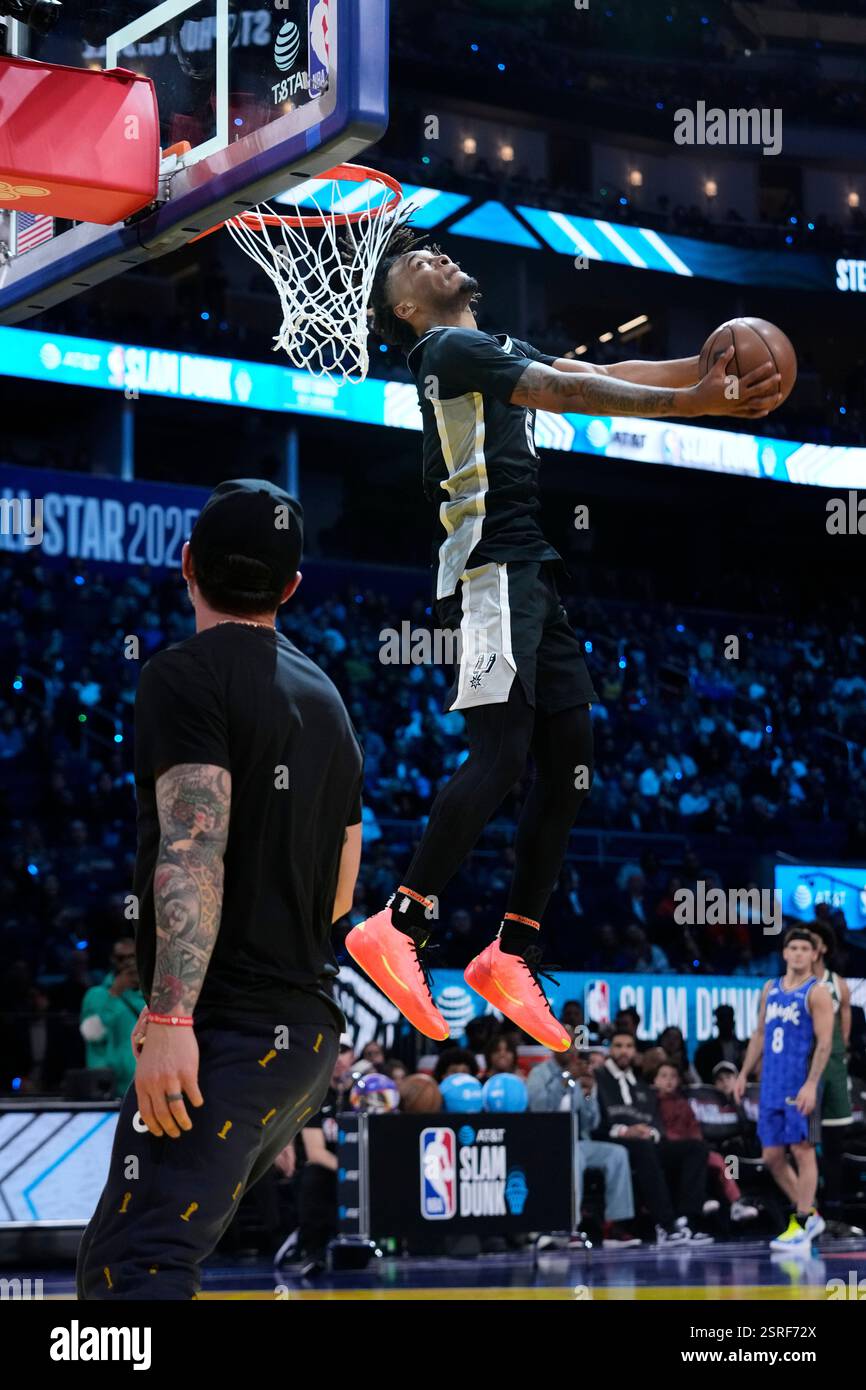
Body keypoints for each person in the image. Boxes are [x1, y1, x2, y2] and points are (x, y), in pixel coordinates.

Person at [344, 224, 782, 1050]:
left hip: (529, 573)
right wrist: (692, 407)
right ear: (405, 306)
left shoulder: (496, 344)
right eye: (416, 263)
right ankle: (399, 922)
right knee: (503, 754)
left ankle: (512, 950)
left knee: (570, 761)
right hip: (484, 570)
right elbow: (566, 395)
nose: (436, 256)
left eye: (435, 248)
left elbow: (601, 372)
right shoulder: (442, 350)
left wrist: (703, 371)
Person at [76, 479, 364, 1300]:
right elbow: (340, 895)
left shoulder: (181, 675)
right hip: (305, 1033)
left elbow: (193, 846)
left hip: (228, 1025)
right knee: (121, 1260)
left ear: (187, 565)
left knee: (135, 1268)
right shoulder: (330, 701)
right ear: (292, 587)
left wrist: (168, 1014)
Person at [734, 928, 833, 1252]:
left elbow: (825, 1043)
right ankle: (811, 1213)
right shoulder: (770, 989)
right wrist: (744, 1073)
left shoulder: (817, 992)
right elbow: (760, 1034)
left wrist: (812, 1084)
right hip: (770, 1086)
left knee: (802, 1151)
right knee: (772, 1156)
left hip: (799, 1083)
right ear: (785, 952)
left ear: (814, 954)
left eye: (806, 947)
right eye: (794, 947)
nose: (799, 953)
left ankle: (802, 1221)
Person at [595, 1030, 713, 1245]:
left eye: (629, 1046)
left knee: (696, 1148)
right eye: (618, 1046)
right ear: (610, 1050)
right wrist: (626, 1131)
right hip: (613, 1140)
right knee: (643, 1149)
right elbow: (596, 1123)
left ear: (634, 1052)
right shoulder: (599, 1078)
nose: (624, 1051)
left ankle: (685, 1220)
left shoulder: (641, 1085)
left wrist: (651, 1132)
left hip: (645, 1140)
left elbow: (655, 1121)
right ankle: (665, 1225)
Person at [528, 1032, 640, 1247]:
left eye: (573, 1046)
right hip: (546, 1142)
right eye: (564, 1045)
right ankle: (570, 1227)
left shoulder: (578, 1075)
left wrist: (590, 1093)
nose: (570, 1051)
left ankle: (614, 1226)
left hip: (577, 1140)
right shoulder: (539, 1074)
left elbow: (591, 1123)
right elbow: (539, 1107)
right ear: (553, 1046)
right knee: (575, 1155)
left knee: (617, 1154)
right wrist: (565, 1079)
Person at [652, 1061, 757, 1224]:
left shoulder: (748, 1101)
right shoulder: (701, 1101)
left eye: (729, 1077)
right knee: (718, 1159)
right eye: (720, 1079)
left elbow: (748, 1129)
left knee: (729, 1158)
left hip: (738, 1150)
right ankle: (721, 1202)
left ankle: (736, 1202)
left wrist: (735, 1101)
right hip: (699, 1149)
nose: (725, 1082)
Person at [810, 922, 854, 1214]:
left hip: (833, 1068)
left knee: (834, 1142)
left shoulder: (837, 983)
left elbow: (845, 1029)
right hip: (802, 1069)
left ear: (823, 947)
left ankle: (834, 1206)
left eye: (810, 942)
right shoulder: (789, 984)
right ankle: (807, 1205)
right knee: (803, 1143)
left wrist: (837, 1055)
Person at [79, 938, 147, 1099]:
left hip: (148, 1084)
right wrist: (115, 994)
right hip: (108, 1089)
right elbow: (92, 1034)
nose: (128, 963)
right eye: (122, 958)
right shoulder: (96, 995)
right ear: (113, 960)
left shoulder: (152, 995)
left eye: (133, 956)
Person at [694, 1004, 745, 1082]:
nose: (725, 1024)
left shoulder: (744, 1048)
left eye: (728, 1019)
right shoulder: (705, 1051)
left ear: (733, 1022)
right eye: (722, 1019)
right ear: (717, 1023)